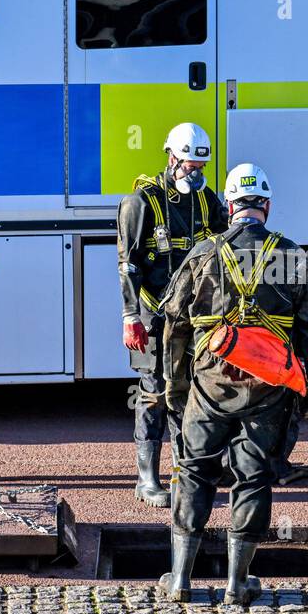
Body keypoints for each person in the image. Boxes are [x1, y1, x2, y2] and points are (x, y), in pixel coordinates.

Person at [161, 163, 308, 605]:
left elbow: (174, 327)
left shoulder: (201, 254)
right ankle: (237, 583)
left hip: (209, 386)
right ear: (267, 207)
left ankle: (179, 578)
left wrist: (176, 389)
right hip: (268, 391)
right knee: (253, 478)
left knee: (193, 470)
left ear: (230, 206)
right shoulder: (294, 257)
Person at [116, 123, 228, 508]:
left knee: (187, 390)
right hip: (151, 312)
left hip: (190, 317)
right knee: (152, 393)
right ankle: (146, 479)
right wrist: (131, 316)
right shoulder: (140, 202)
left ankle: (185, 473)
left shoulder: (207, 202)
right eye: (189, 165)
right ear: (171, 157)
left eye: (200, 166)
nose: (195, 173)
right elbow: (128, 264)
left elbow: (223, 251)